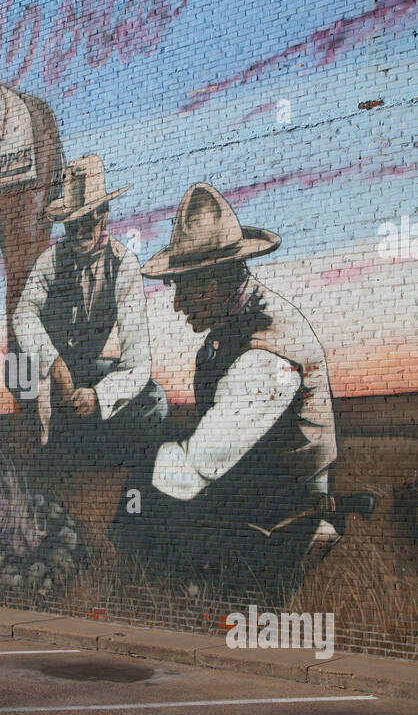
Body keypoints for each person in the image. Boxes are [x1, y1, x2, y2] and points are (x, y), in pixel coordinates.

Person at [111, 181, 340, 596]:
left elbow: (201, 465)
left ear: (209, 282)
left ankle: (195, 580)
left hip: (281, 499)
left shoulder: (266, 352)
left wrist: (143, 458)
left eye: (180, 287)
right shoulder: (231, 333)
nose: (177, 304)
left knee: (145, 486)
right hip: (256, 479)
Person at [13, 154, 166, 470]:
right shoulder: (52, 259)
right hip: (47, 372)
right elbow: (23, 314)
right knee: (17, 371)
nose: (81, 229)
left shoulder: (123, 264)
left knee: (155, 401)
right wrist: (54, 364)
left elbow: (137, 360)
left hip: (89, 374)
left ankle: (81, 445)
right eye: (74, 221)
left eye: (90, 218)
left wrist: (99, 394)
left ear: (104, 215)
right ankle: (60, 443)